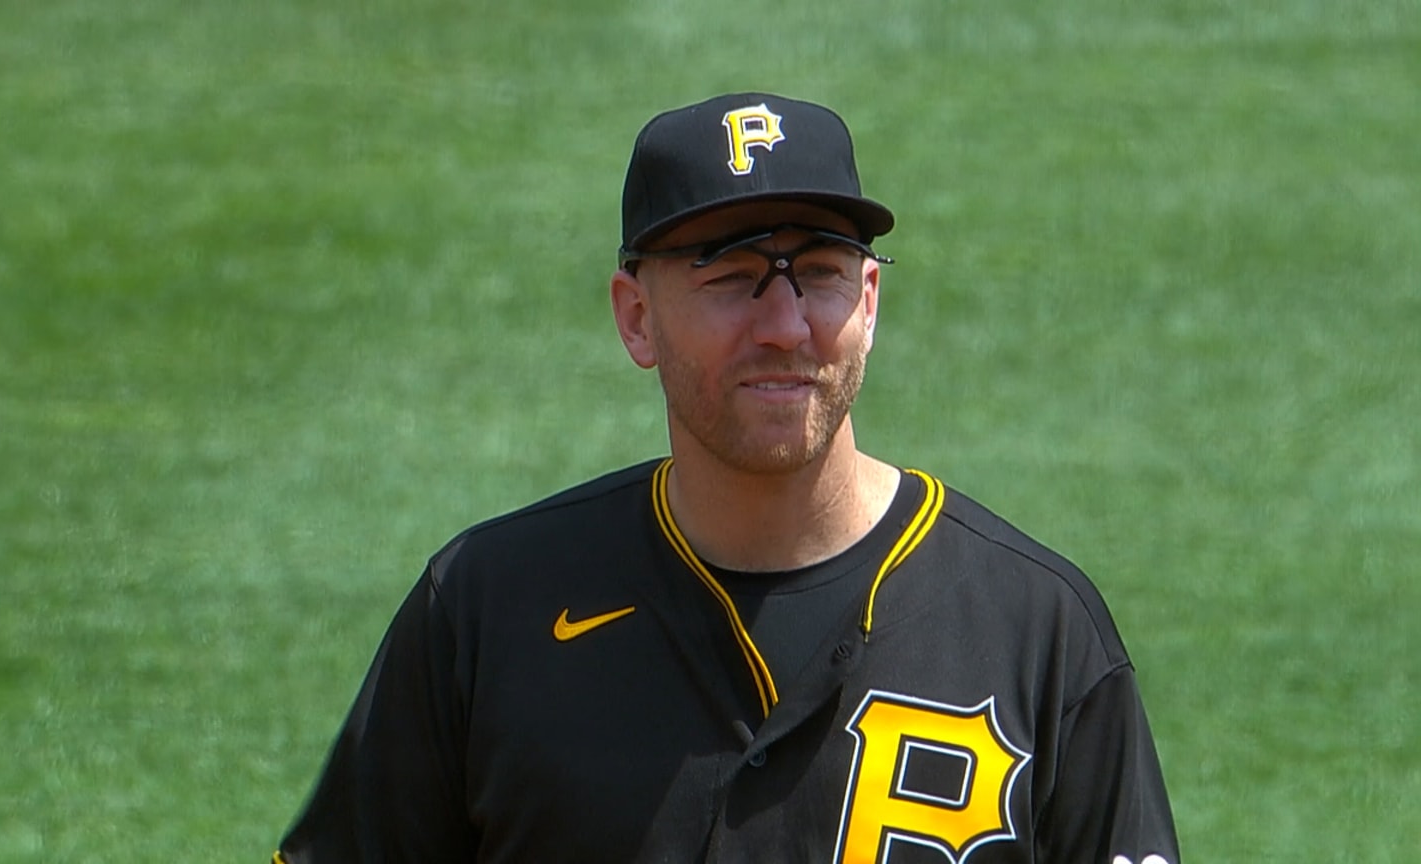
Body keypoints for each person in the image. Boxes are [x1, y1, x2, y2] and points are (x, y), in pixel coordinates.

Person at [272, 92, 1180, 864]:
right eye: (732, 275)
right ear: (636, 318)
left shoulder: (1036, 629)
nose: (784, 323)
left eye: (818, 273)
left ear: (868, 302)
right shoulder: (485, 607)